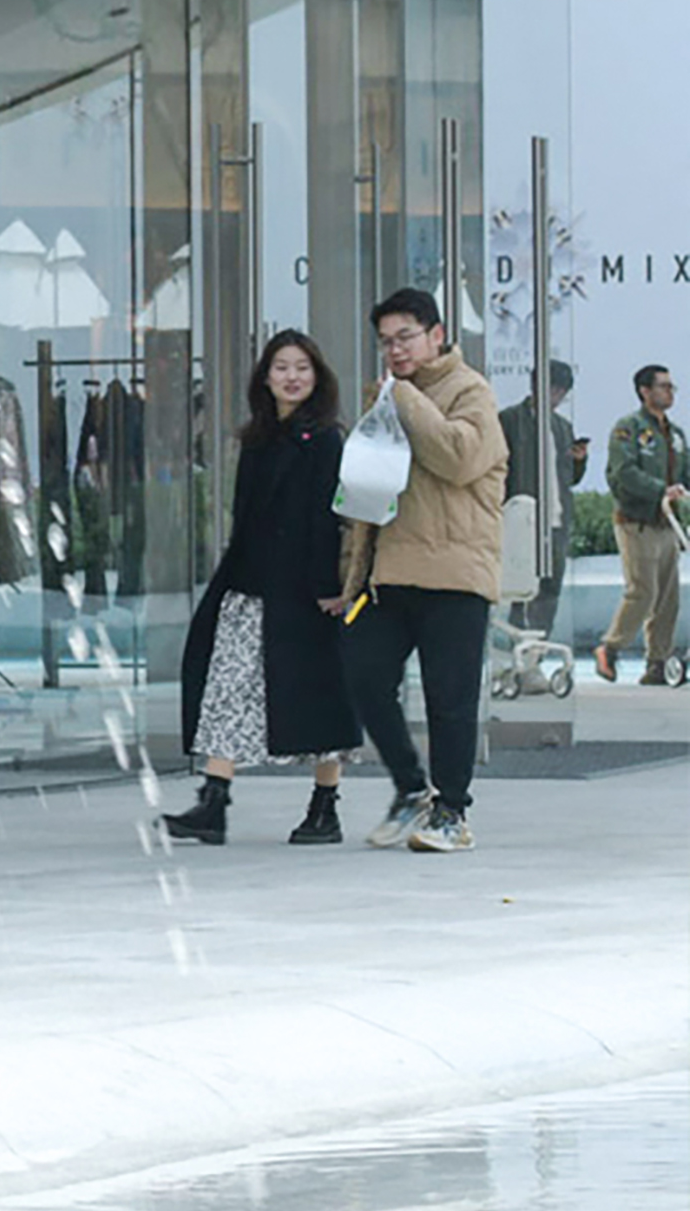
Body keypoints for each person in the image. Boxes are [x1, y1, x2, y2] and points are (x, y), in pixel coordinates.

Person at [163, 330, 360, 847]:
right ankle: (214, 801)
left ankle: (325, 808)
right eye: (281, 367)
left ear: (316, 377)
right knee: (226, 689)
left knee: (320, 701)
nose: (292, 376)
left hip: (307, 591)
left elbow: (328, 518)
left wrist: (329, 586)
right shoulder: (257, 437)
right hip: (250, 584)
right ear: (265, 377)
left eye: (302, 367)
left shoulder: (326, 439)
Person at [338, 288, 507, 855]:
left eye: (405, 336)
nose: (394, 349)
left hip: (456, 575)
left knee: (449, 700)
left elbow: (460, 458)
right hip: (392, 577)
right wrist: (352, 581)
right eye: (385, 341)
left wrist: (404, 399)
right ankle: (412, 788)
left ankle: (452, 811)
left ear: (437, 335)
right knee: (360, 673)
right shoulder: (389, 396)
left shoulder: (470, 391)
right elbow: (367, 498)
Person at [593, 363, 684, 685]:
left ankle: (657, 663)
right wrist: (660, 490)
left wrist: (679, 492)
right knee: (643, 591)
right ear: (645, 391)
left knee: (668, 598)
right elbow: (623, 473)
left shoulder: (675, 435)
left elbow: (682, 474)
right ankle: (610, 648)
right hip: (637, 523)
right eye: (663, 386)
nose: (670, 392)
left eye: (672, 387)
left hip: (667, 525)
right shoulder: (627, 429)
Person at [499, 359, 586, 635]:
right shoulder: (510, 419)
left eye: (561, 391)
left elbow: (570, 478)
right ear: (536, 385)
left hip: (556, 519)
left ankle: (538, 647)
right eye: (552, 388)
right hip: (521, 516)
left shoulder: (562, 426)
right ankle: (514, 647)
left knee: (550, 588)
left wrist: (579, 461)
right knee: (518, 585)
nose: (556, 397)